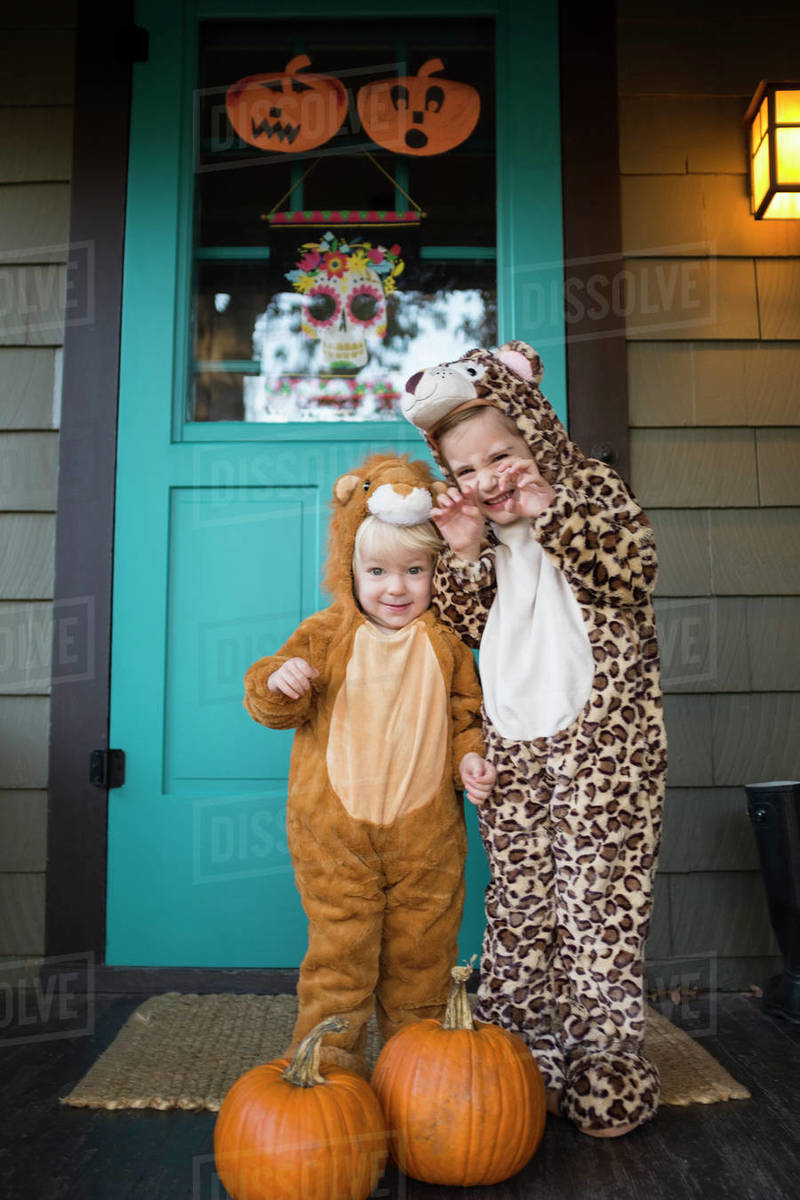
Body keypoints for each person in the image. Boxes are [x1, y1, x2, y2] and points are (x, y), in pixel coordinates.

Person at [401, 341, 667, 1137]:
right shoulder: (487, 536)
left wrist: (551, 508)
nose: (491, 478)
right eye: (469, 470)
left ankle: (606, 1058)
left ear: (538, 437)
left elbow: (629, 570)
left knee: (598, 904)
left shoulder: (588, 493)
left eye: (504, 455)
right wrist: (462, 551)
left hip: (603, 748)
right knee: (519, 903)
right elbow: (466, 624)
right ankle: (517, 1050)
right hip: (516, 746)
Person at [243, 454, 495, 1077]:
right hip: (336, 839)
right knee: (340, 960)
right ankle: (326, 1071)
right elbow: (265, 699)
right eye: (377, 570)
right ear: (350, 570)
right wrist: (281, 680)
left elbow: (468, 716)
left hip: (427, 839)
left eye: (415, 570)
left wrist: (472, 761)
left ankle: (421, 1076)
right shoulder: (324, 634)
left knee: (423, 959)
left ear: (437, 571)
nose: (396, 587)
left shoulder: (446, 643)